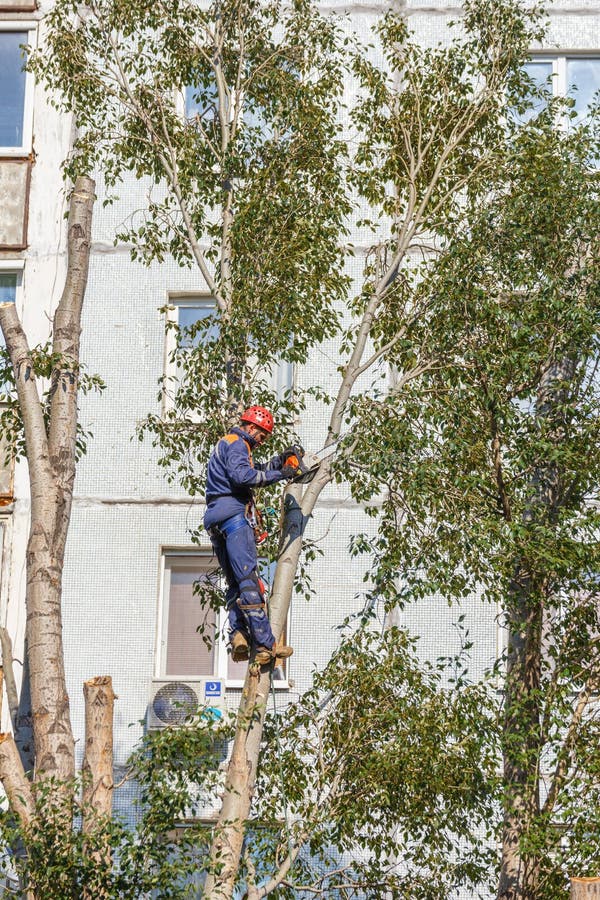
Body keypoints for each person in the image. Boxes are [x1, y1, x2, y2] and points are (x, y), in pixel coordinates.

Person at [204, 405, 301, 665]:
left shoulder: (229, 443)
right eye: (262, 434)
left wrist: (278, 462)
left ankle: (238, 635)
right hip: (234, 517)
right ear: (251, 426)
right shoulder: (237, 444)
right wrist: (281, 474)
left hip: (216, 518)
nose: (262, 440)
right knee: (249, 580)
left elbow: (252, 468)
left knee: (236, 581)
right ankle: (265, 644)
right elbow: (243, 476)